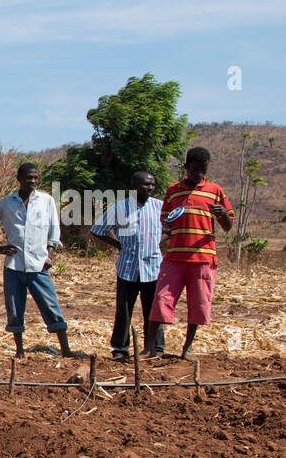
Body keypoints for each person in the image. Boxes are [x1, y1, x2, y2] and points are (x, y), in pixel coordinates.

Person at [0, 162, 80, 359]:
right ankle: (19, 351)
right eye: (28, 178)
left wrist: (49, 255)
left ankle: (65, 350)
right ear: (19, 179)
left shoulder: (46, 201)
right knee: (15, 309)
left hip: (38, 265)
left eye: (35, 178)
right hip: (14, 265)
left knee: (51, 306)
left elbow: (54, 231)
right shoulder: (7, 203)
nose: (33, 181)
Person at [146, 147, 234, 359]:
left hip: (203, 258)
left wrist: (223, 215)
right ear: (186, 167)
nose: (199, 174)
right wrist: (160, 239)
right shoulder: (173, 191)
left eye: (203, 170)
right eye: (195, 170)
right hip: (175, 256)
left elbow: (228, 227)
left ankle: (188, 349)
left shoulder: (215, 191)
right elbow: (166, 224)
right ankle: (149, 348)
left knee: (199, 304)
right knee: (161, 300)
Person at [90, 171, 166, 361]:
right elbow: (97, 230)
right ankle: (120, 349)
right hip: (128, 268)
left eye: (152, 184)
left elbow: (172, 229)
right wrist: (118, 244)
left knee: (153, 310)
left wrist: (158, 241)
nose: (149, 187)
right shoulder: (119, 208)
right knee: (124, 310)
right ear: (134, 186)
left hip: (153, 267)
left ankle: (155, 348)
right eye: (145, 184)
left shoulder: (160, 207)